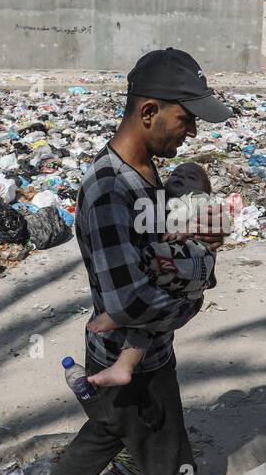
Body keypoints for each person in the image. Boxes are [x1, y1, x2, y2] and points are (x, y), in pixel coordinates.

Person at [17, 48, 264, 475]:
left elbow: (156, 255)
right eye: (186, 119)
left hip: (126, 346)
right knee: (169, 449)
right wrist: (196, 292)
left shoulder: (146, 171)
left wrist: (200, 245)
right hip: (135, 350)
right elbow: (128, 301)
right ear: (148, 111)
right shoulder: (110, 190)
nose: (192, 134)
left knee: (106, 432)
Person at [88, 161, 224, 389]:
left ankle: (119, 317)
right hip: (177, 274)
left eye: (191, 178)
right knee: (148, 317)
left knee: (149, 264)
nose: (181, 177)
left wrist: (187, 229)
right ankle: (125, 364)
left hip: (190, 262)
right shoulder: (160, 202)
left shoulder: (198, 201)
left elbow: (212, 222)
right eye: (176, 173)